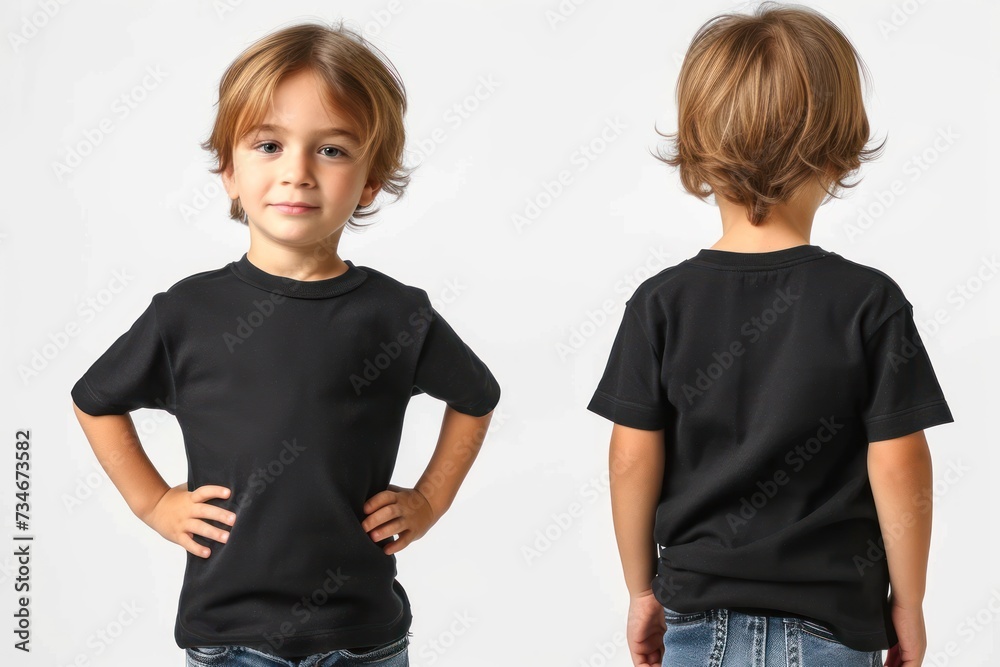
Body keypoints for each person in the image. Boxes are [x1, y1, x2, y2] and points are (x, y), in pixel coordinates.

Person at [70, 20, 500, 667]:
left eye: (331, 150)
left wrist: (430, 496)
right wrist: (154, 500)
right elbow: (95, 399)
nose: (297, 172)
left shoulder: (396, 313)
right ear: (229, 172)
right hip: (229, 640)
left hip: (364, 639)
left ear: (372, 179)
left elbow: (476, 396)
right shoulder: (187, 311)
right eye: (269, 144)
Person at [586, 3, 952, 667]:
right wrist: (910, 600)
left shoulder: (660, 304)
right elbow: (900, 463)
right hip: (834, 631)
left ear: (699, 146)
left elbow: (630, 458)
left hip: (698, 625)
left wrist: (642, 589)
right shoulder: (869, 304)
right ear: (838, 147)